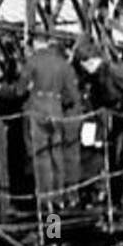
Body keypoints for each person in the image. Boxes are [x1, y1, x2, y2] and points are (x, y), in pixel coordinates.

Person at [7, 35, 83, 214]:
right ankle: (59, 199)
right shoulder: (62, 64)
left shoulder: (32, 62)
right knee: (56, 153)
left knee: (41, 156)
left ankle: (45, 200)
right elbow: (72, 96)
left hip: (38, 111)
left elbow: (19, 90)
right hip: (55, 111)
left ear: (34, 44)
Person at [74, 37, 123, 207]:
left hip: (119, 118)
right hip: (101, 119)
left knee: (118, 158)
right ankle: (95, 194)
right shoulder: (90, 77)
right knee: (98, 155)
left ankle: (117, 197)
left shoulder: (111, 71)